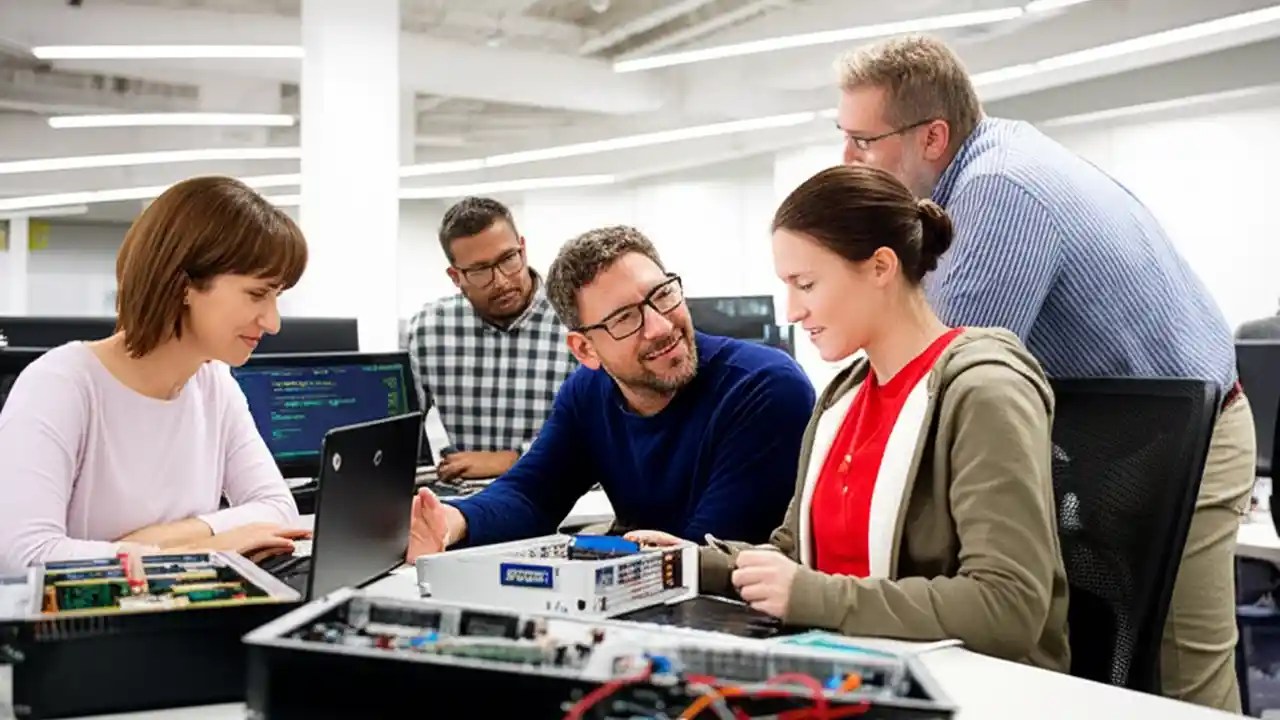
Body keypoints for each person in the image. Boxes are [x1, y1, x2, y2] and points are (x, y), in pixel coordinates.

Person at [832, 34, 1252, 710]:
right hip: (1125, 440)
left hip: (1186, 448)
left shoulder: (1000, 190)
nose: (847, 158)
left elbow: (933, 371)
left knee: (1183, 690)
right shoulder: (996, 157)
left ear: (932, 136)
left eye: (861, 140)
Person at [629, 165, 1070, 672]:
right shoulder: (845, 395)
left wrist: (816, 598)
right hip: (857, 669)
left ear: (881, 267)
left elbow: (1007, 608)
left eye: (806, 283)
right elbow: (797, 556)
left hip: (972, 687)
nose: (792, 310)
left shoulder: (984, 391)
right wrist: (692, 563)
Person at [405, 225, 816, 558]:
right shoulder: (587, 391)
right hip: (648, 601)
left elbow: (705, 554)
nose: (659, 326)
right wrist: (452, 521)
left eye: (662, 295)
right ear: (585, 350)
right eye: (624, 319)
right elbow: (532, 494)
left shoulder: (764, 388)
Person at [0, 176, 309, 576]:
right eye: (256, 294)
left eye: (276, 297)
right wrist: (207, 550)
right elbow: (21, 554)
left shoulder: (214, 384)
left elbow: (279, 508)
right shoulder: (63, 384)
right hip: (93, 631)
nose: (273, 322)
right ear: (184, 285)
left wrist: (171, 540)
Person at [405, 197, 577, 482]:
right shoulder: (429, 328)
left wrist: (516, 459)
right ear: (455, 276)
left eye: (508, 259)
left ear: (522, 249)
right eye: (480, 270)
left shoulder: (576, 321)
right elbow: (399, 430)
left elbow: (605, 434)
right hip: (464, 502)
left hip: (560, 496)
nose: (501, 281)